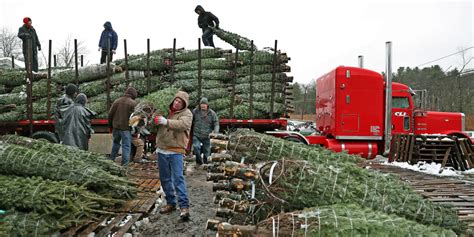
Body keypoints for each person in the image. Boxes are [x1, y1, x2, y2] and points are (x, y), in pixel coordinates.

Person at [153, 91, 192, 221]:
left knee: (178, 178)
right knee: (164, 179)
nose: (177, 103)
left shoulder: (187, 114)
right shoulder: (165, 111)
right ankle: (171, 202)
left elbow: (183, 125)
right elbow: (155, 126)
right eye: (176, 100)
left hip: (176, 151)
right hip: (162, 150)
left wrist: (166, 122)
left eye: (180, 102)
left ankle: (184, 207)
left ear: (184, 104)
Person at [108, 87, 137, 166]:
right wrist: (136, 130)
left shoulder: (117, 101)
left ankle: (111, 161)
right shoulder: (133, 103)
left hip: (116, 127)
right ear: (133, 95)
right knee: (126, 146)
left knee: (115, 143)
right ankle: (125, 165)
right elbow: (135, 119)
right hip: (126, 129)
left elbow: (110, 114)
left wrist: (110, 126)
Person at [192, 98, 219, 165]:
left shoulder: (212, 113)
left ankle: (206, 164)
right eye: (202, 104)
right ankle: (199, 161)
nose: (203, 106)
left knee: (207, 152)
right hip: (197, 135)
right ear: (199, 105)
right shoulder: (195, 112)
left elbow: (216, 123)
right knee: (196, 147)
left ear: (207, 105)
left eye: (204, 104)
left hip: (207, 136)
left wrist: (216, 132)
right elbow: (190, 121)